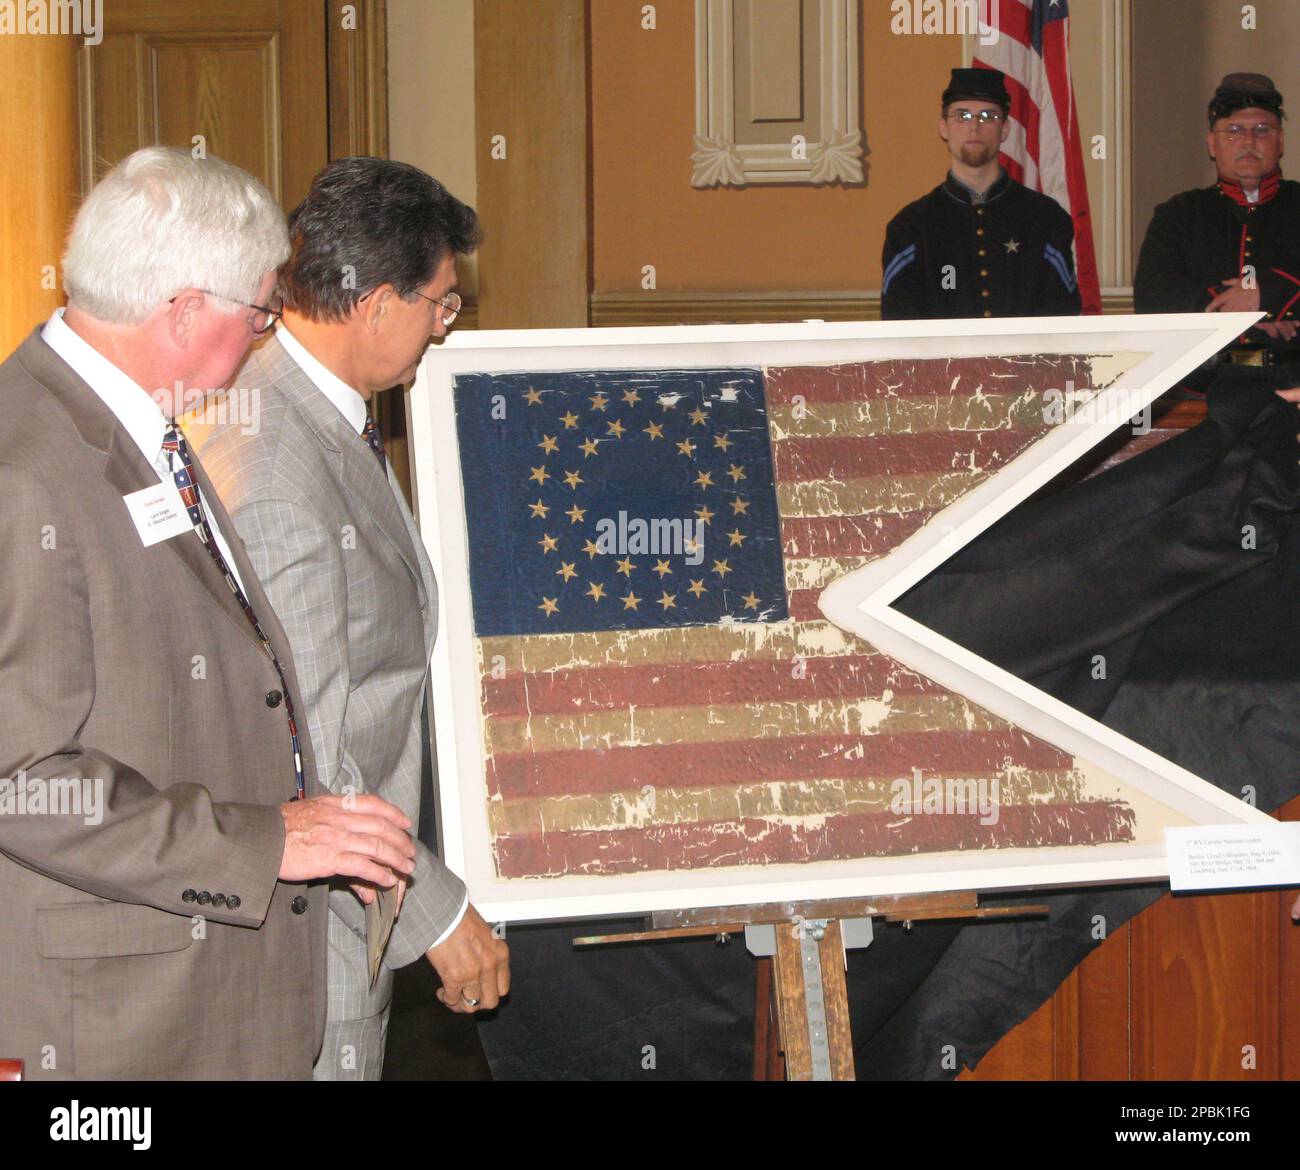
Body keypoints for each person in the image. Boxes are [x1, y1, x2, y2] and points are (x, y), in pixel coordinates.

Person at [0, 147, 417, 1080]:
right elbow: (18, 779)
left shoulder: (134, 428)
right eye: (260, 313)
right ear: (184, 311)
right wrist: (269, 839)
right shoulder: (23, 470)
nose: (264, 339)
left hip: (201, 996)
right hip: (114, 1028)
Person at [190, 157, 509, 1081]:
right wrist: (438, 912)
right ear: (375, 304)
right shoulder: (277, 464)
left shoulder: (303, 406)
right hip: (310, 942)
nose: (443, 331)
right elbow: (308, 749)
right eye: (440, 306)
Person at [881, 68, 1082, 320]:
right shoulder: (911, 227)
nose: (974, 126)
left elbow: (1063, 317)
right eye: (961, 116)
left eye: (988, 116)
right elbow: (899, 324)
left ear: (1005, 129)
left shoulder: (1045, 219)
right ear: (943, 128)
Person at [1134, 73, 1300, 367]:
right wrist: (1243, 312)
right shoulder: (1179, 214)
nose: (1249, 140)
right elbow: (1154, 299)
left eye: (1262, 129)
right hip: (1205, 383)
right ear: (1212, 144)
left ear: (1281, 141)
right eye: (1234, 130)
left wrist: (1267, 295)